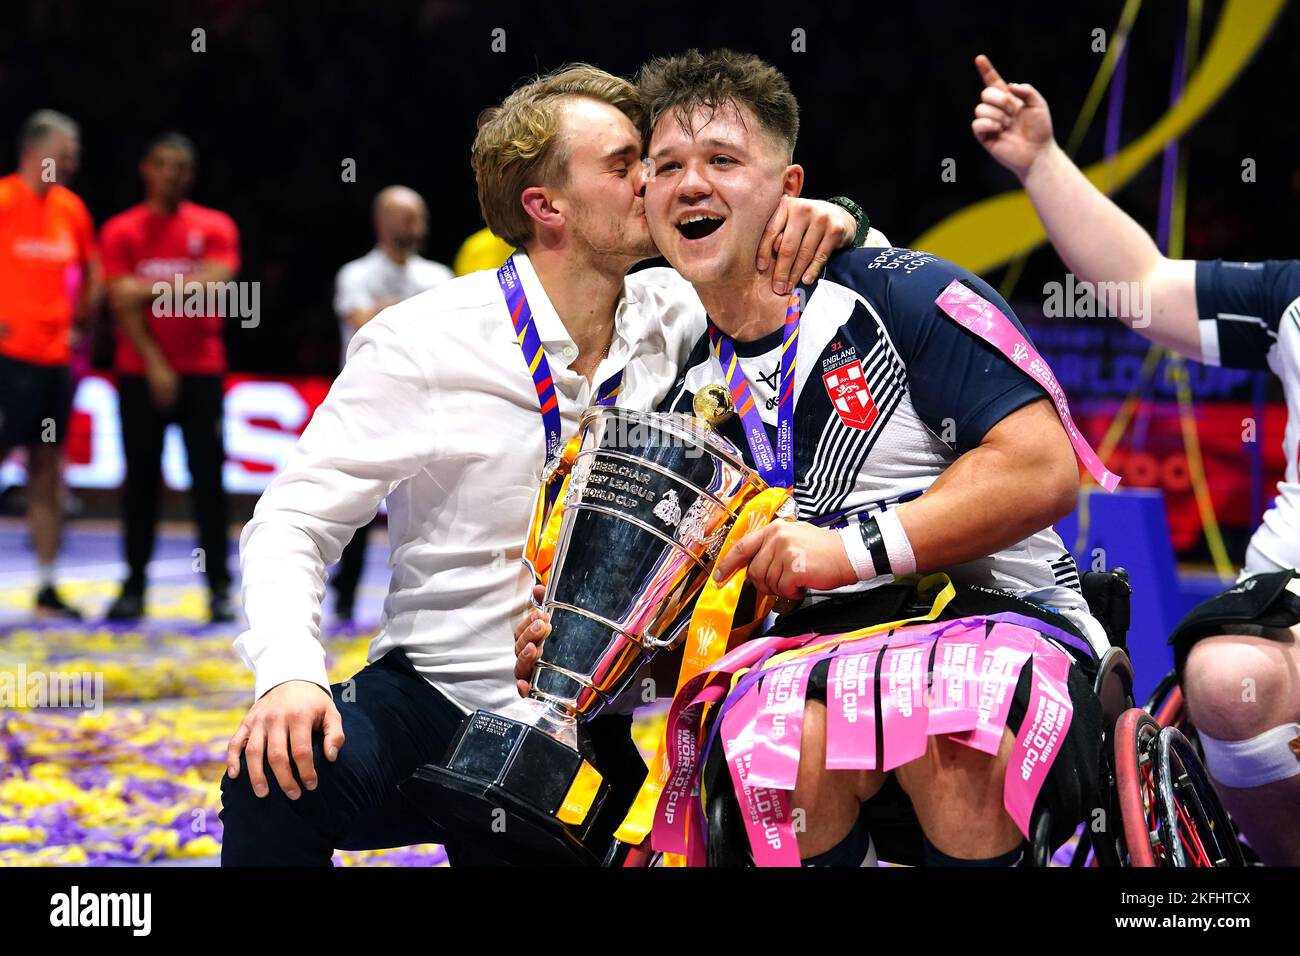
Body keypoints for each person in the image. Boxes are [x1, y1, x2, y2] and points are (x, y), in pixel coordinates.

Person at [218, 61, 861, 865]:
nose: (652, 182)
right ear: (545, 205)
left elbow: (821, 272)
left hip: (589, 721)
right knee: (276, 775)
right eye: (626, 165)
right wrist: (288, 673)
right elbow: (294, 521)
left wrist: (839, 217)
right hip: (436, 700)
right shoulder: (424, 339)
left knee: (746, 804)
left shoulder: (677, 311)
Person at [518, 49, 1110, 867]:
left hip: (1002, 619)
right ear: (647, 199)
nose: (693, 184)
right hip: (805, 654)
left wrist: (848, 550)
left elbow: (1041, 470)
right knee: (776, 744)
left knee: (955, 729)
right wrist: (592, 659)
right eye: (668, 167)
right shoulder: (679, 395)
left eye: (724, 161)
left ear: (790, 188)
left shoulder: (905, 293)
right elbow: (691, 637)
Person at [970, 53, 1300, 865]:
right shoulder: (1293, 299)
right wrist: (1043, 161)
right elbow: (1143, 289)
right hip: (1288, 614)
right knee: (1225, 675)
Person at [99, 133, 240, 624]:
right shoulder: (121, 230)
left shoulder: (215, 225)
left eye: (180, 166)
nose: (172, 174)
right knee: (139, 482)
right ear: (146, 169)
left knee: (208, 483)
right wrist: (157, 362)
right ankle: (134, 587)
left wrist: (145, 288)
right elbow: (120, 304)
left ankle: (219, 588)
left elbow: (217, 285)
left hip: (202, 370)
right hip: (140, 373)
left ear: (190, 174)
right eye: (163, 165)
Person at [330, 186, 453, 622]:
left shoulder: (439, 276)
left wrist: (389, 311)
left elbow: (448, 333)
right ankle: (343, 595)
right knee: (356, 506)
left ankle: (424, 598)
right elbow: (361, 321)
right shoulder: (356, 273)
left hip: (427, 404)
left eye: (420, 216)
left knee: (426, 505)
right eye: (406, 217)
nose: (416, 226)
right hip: (368, 404)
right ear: (383, 222)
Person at [0, 109, 102, 619]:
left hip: (54, 363)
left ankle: (45, 585)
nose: (72, 163)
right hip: (6, 360)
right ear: (35, 153)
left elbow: (92, 271)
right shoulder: (4, 201)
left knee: (46, 473)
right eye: (65, 154)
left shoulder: (72, 211)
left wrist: (81, 322)